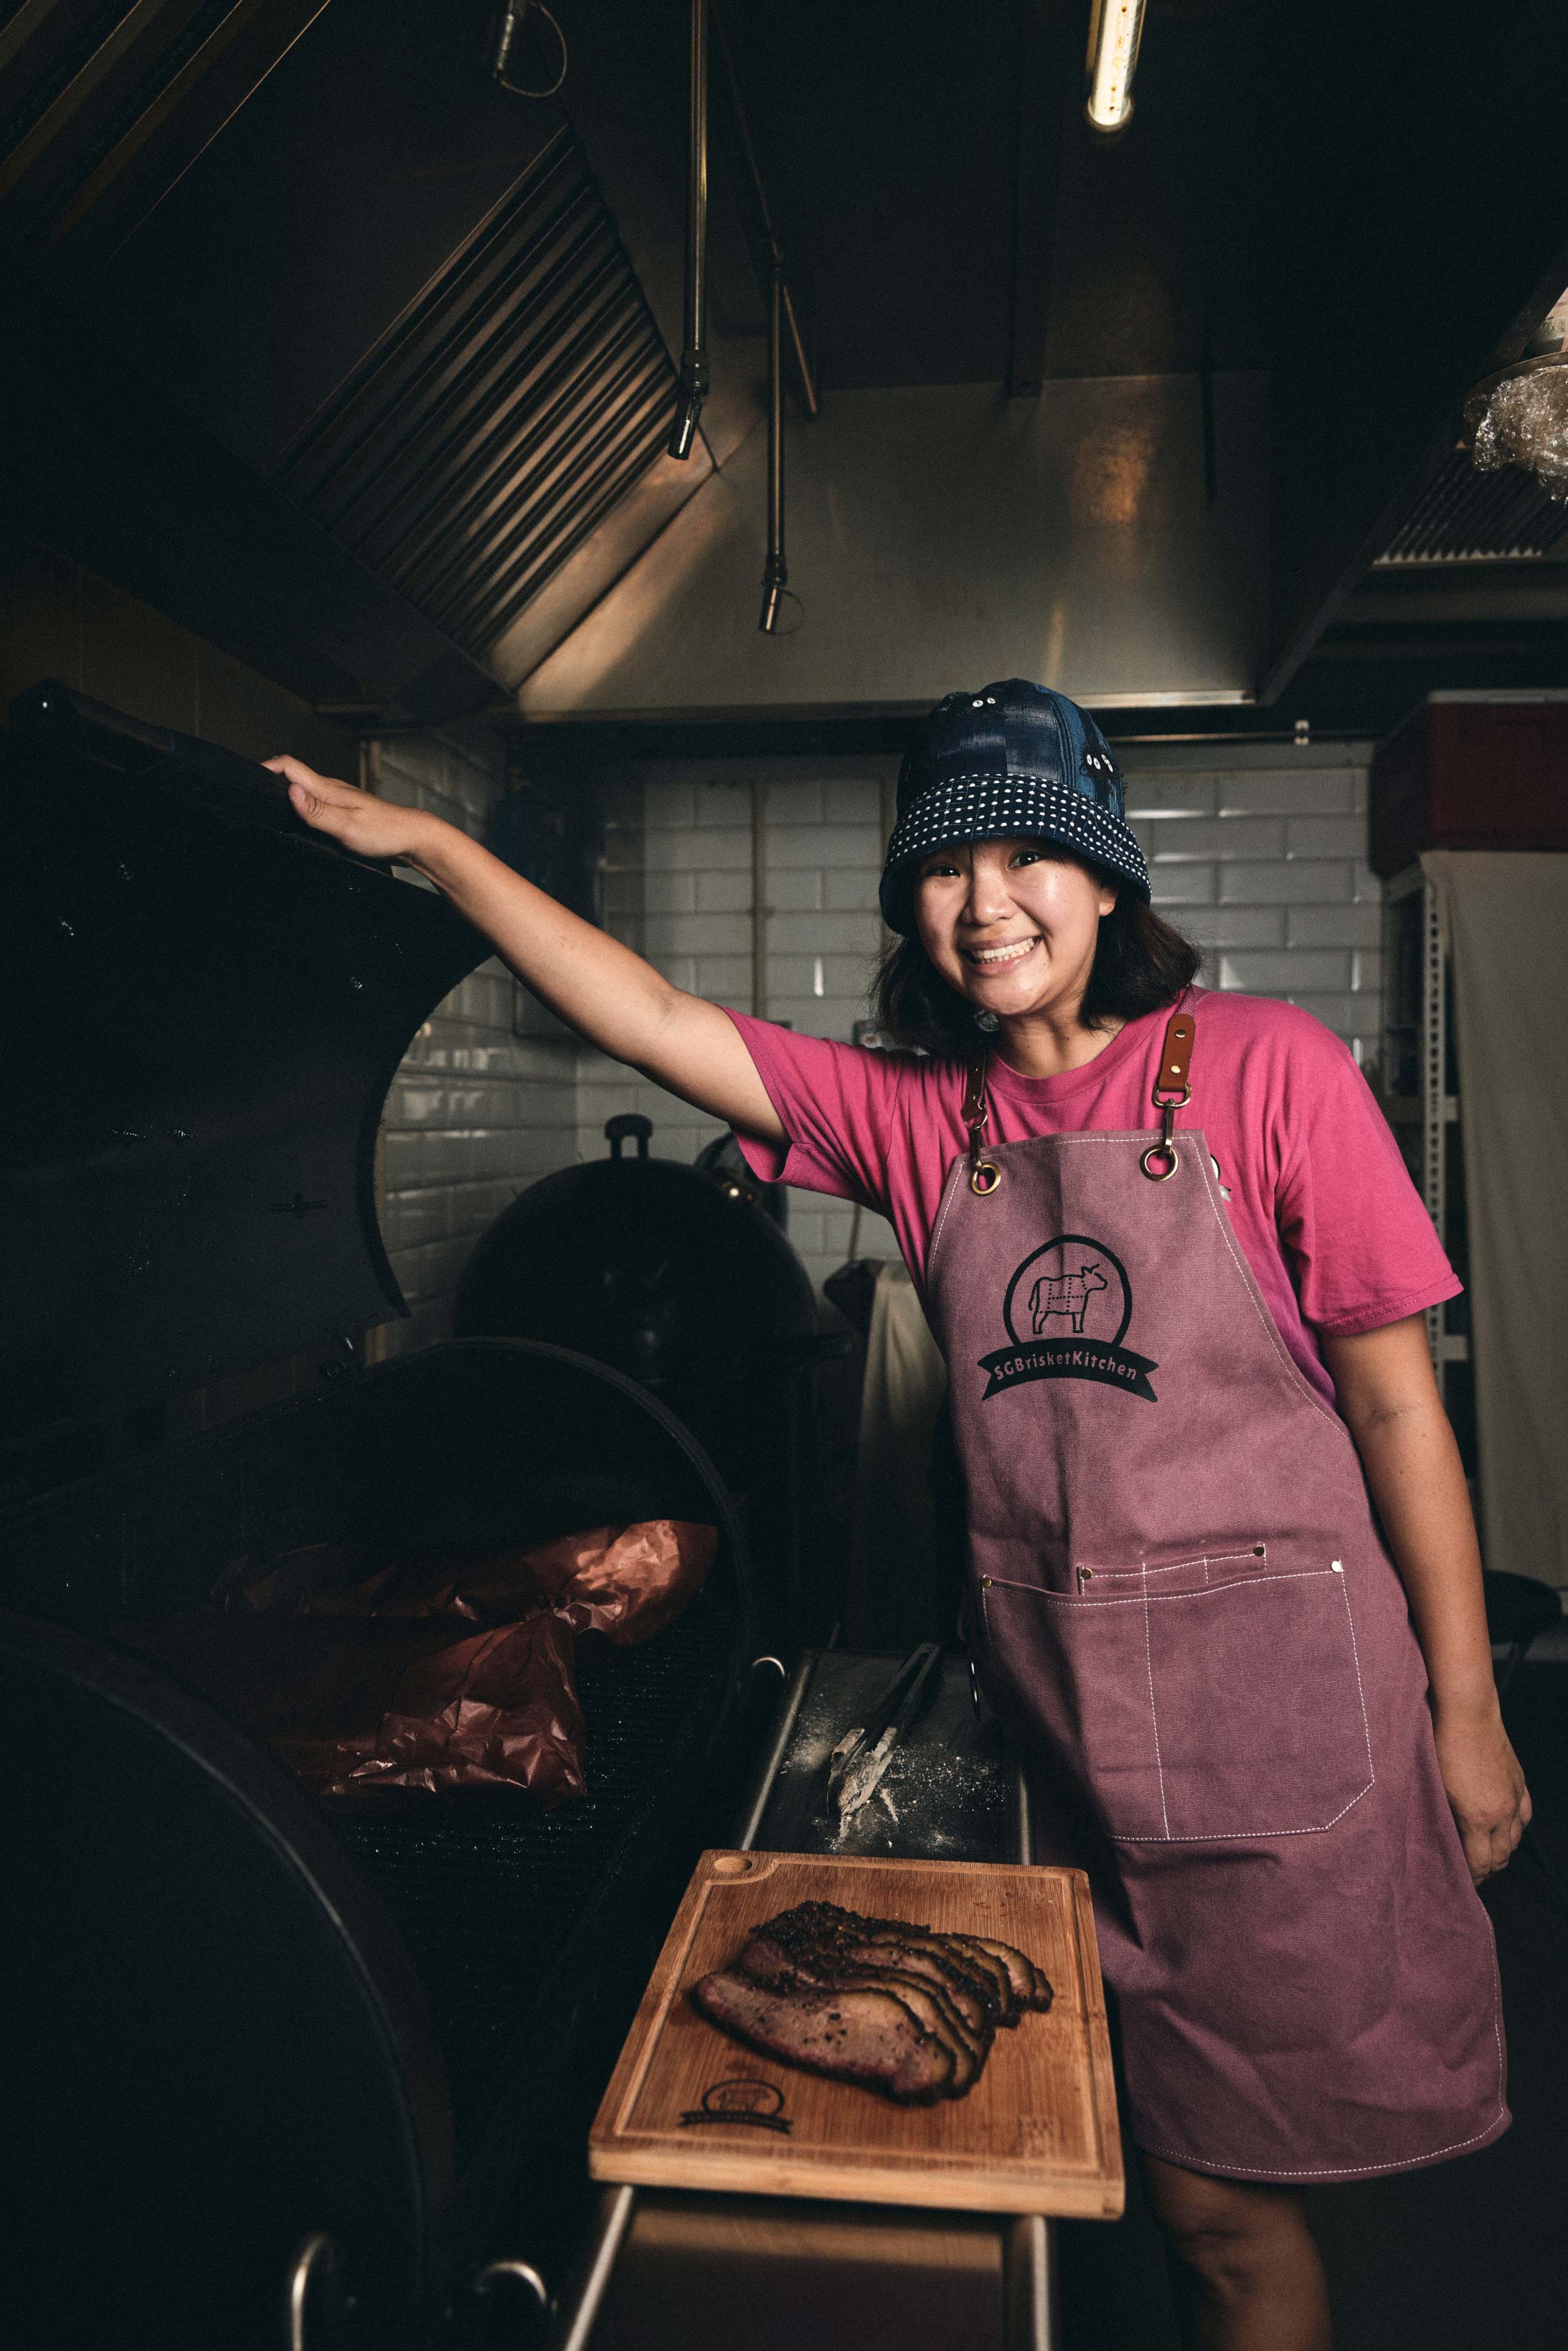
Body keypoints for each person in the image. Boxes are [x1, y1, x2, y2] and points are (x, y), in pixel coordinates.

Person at [269, 679, 1529, 2351]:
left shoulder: (1269, 1072)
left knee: (1228, 2211)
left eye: (1027, 856)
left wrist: (1469, 1703)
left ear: (1104, 880)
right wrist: (434, 845)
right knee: (1158, 2185)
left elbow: (1394, 1407)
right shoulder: (921, 1117)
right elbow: (643, 1012)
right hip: (1065, 1735)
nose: (985, 902)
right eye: (942, 867)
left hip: (1282, 1724)